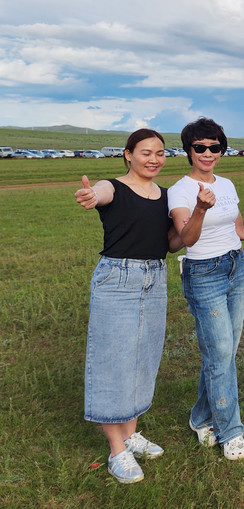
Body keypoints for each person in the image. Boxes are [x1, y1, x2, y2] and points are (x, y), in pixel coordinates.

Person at [168, 117, 244, 461]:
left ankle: (201, 417)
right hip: (203, 273)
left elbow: (240, 230)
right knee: (219, 353)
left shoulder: (227, 184)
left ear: (221, 150)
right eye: (199, 147)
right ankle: (230, 432)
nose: (207, 153)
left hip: (235, 267)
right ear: (188, 150)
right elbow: (186, 238)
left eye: (214, 147)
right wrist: (201, 208)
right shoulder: (180, 190)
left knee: (224, 353)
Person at [75, 129, 181, 484]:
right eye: (146, 152)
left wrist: (198, 214)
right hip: (117, 279)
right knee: (114, 361)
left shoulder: (165, 196)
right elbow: (101, 193)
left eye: (160, 153)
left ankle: (131, 433)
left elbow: (171, 243)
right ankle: (116, 450)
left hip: (155, 277)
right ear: (128, 154)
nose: (154, 159)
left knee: (143, 357)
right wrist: (92, 195)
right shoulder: (113, 187)